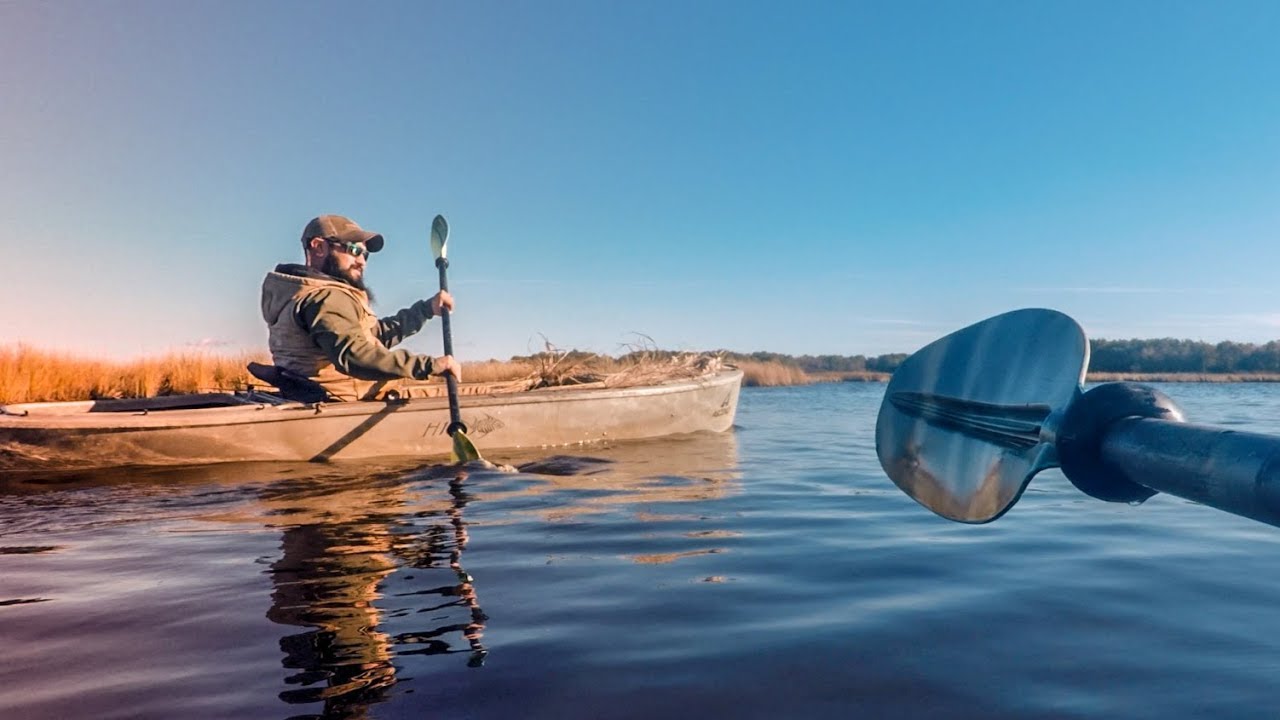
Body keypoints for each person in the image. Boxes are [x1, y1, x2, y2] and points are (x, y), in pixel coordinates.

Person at [260, 214, 462, 401]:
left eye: (365, 255)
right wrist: (430, 365)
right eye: (354, 251)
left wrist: (426, 310)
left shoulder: (304, 293)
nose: (362, 262)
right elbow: (356, 356)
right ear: (318, 247)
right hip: (345, 402)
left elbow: (374, 335)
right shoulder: (326, 297)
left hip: (339, 396)